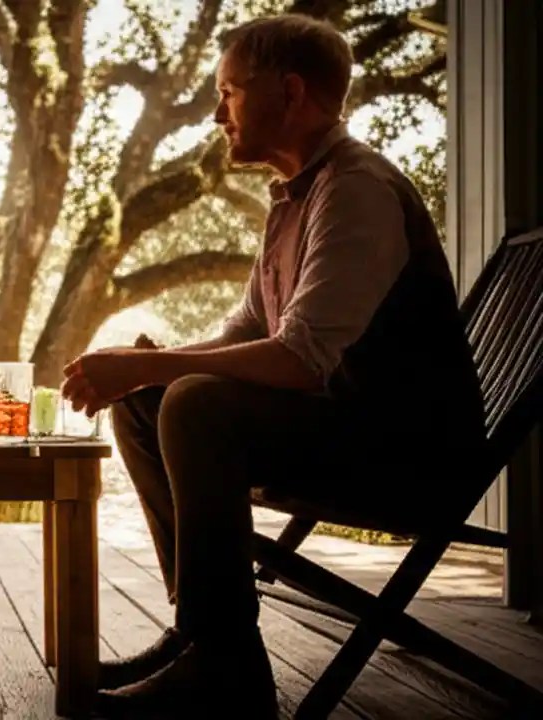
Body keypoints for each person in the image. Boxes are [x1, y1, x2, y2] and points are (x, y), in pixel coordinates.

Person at [61, 14, 486, 718]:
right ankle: (200, 635)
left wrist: (160, 368)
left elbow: (300, 359)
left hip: (409, 459)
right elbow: (247, 332)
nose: (216, 112)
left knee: (194, 401)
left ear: (289, 92)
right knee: (149, 397)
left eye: (229, 90)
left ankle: (226, 671)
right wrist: (140, 368)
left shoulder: (356, 190)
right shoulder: (295, 198)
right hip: (345, 433)